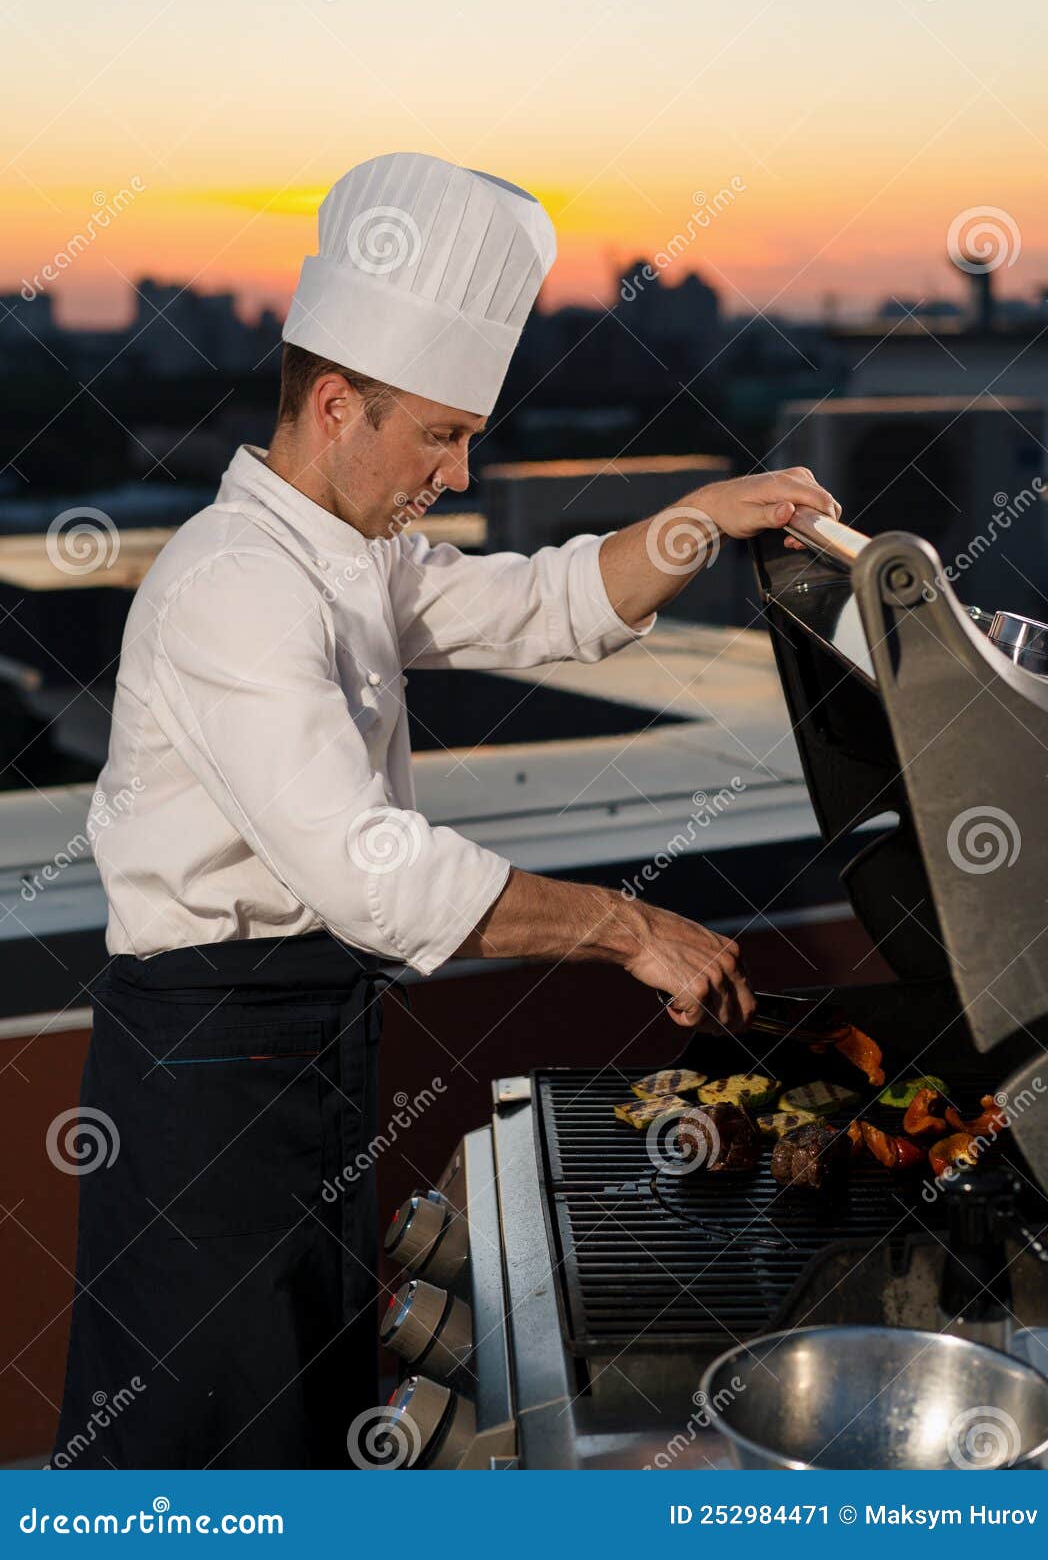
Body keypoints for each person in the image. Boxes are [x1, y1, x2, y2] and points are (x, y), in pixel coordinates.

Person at [51, 152, 840, 1468]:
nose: (461, 474)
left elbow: (544, 601)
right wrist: (629, 928)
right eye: (440, 436)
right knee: (215, 1454)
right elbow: (376, 873)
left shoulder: (350, 553)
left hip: (300, 1048)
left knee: (301, 1432)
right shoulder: (236, 584)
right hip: (208, 1085)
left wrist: (705, 517)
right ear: (340, 402)